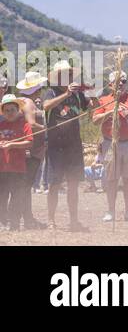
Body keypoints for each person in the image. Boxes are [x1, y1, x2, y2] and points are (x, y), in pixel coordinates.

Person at [91, 71, 128, 223]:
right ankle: (110, 210)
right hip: (110, 143)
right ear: (110, 85)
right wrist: (109, 112)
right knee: (111, 179)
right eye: (117, 82)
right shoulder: (104, 100)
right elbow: (95, 120)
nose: (121, 84)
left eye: (123, 81)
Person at [42, 60, 90, 232]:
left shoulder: (78, 95)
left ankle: (74, 220)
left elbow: (90, 107)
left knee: (73, 184)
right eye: (64, 75)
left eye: (70, 74)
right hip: (56, 147)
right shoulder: (51, 92)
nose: (69, 77)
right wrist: (66, 94)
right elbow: (46, 106)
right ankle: (51, 220)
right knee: (54, 184)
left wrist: (94, 97)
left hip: (74, 146)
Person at [14, 71, 48, 230]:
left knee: (23, 185)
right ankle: (26, 219)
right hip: (30, 151)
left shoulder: (21, 100)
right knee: (25, 186)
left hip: (25, 150)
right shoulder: (28, 103)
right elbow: (31, 124)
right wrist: (47, 129)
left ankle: (25, 218)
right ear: (37, 89)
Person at [0, 95, 34, 230]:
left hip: (18, 168)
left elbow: (30, 142)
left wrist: (12, 145)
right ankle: (2, 222)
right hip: (2, 168)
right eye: (6, 110)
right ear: (3, 112)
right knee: (2, 197)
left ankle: (14, 223)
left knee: (16, 197)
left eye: (12, 110)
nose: (9, 113)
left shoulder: (24, 125)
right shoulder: (1, 125)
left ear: (18, 110)